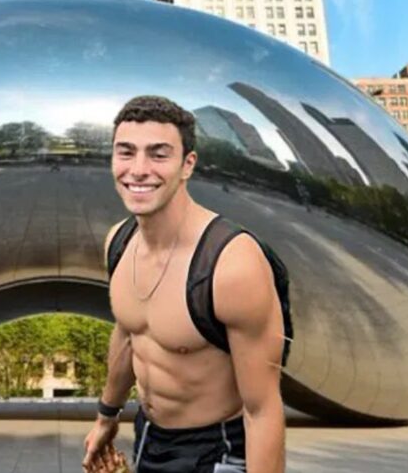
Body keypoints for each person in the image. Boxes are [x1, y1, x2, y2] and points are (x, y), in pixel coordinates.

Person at [82, 96, 287, 473]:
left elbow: (262, 410)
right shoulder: (119, 242)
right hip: (150, 439)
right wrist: (106, 417)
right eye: (126, 152)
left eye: (158, 154)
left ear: (187, 164)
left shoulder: (231, 263)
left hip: (218, 450)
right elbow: (128, 334)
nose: (138, 170)